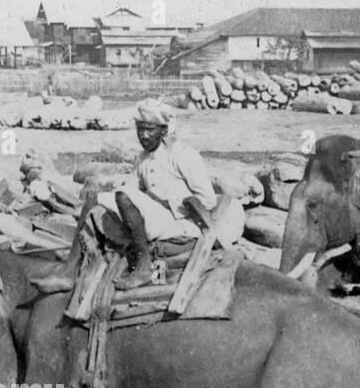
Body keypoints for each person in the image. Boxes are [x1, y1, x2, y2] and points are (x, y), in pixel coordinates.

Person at [40, 99, 233, 291]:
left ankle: (144, 266)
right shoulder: (143, 158)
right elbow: (132, 188)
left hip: (181, 222)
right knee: (94, 201)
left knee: (123, 197)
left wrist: (163, 202)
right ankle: (68, 271)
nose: (144, 135)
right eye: (140, 129)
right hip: (155, 219)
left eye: (150, 130)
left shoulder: (183, 155)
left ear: (164, 130)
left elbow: (207, 200)